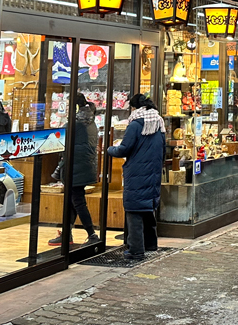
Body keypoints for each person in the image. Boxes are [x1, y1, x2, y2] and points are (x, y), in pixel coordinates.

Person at [107, 93, 165, 260]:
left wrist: (110, 149)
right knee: (147, 208)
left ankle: (136, 250)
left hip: (137, 172)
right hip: (153, 172)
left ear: (134, 108)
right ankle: (150, 244)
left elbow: (124, 149)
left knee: (134, 209)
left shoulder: (136, 124)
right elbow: (162, 148)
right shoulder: (158, 122)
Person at [49, 98, 99, 246]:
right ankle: (67, 234)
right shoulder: (91, 122)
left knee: (77, 201)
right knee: (73, 201)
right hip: (85, 167)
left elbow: (57, 140)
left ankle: (92, 234)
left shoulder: (75, 124)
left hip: (74, 168)